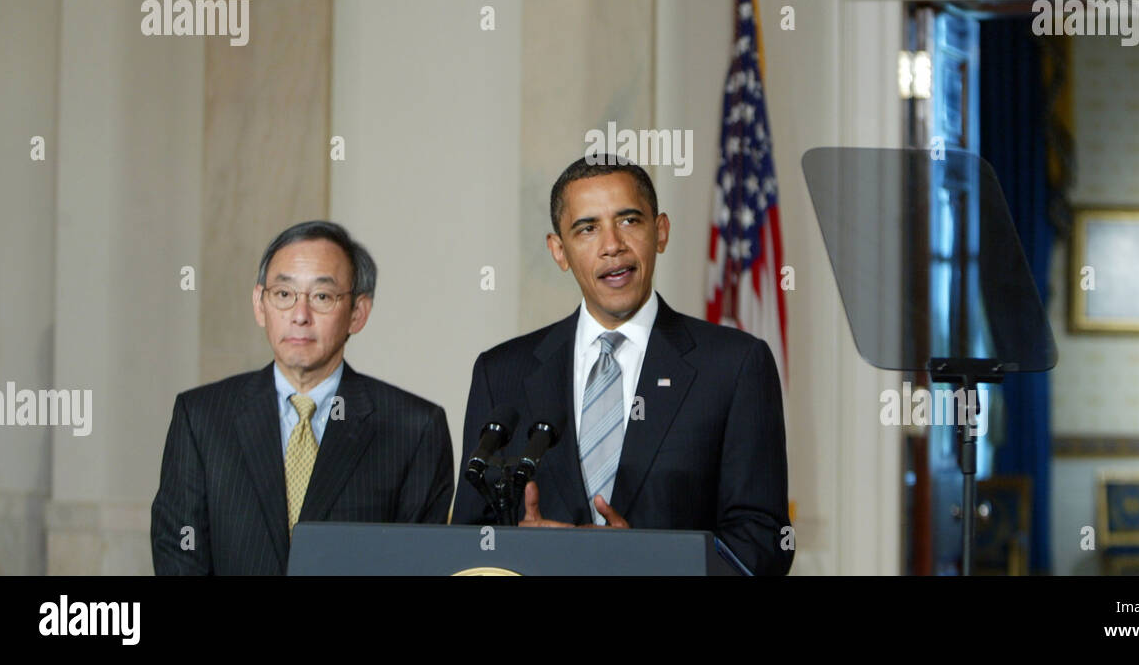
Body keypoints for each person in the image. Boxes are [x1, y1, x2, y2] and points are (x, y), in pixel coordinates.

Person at [452, 156, 792, 576]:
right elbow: (467, 542)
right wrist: (524, 548)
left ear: (660, 232)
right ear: (559, 251)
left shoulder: (734, 365)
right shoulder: (501, 372)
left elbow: (764, 544)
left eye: (629, 221)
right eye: (588, 228)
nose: (612, 244)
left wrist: (644, 560)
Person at [150, 220, 453, 574]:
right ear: (259, 305)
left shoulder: (414, 428)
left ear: (358, 313)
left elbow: (418, 565)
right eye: (283, 294)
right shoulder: (201, 417)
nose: (299, 315)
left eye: (322, 297)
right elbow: (178, 554)